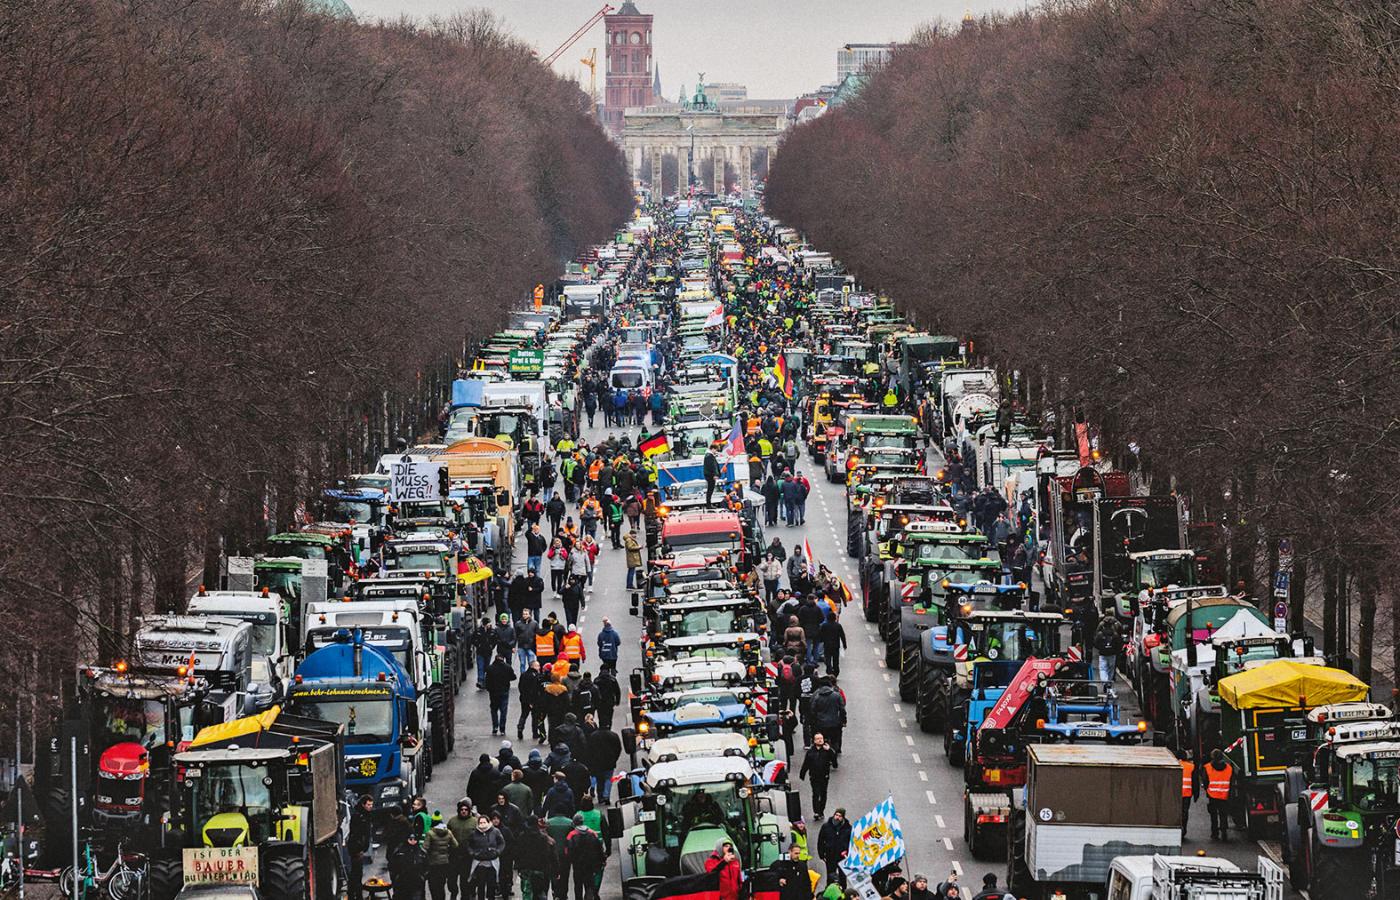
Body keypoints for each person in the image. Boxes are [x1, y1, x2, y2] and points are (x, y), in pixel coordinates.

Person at [563, 814, 606, 900]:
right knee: (589, 884)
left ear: (574, 823)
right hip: (590, 865)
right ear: (582, 821)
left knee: (578, 886)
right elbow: (599, 848)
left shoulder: (571, 834)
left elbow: (567, 851)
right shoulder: (592, 833)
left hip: (577, 865)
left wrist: (570, 861)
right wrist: (602, 860)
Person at [465, 815, 506, 900]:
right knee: (480, 886)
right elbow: (468, 845)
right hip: (479, 864)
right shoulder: (474, 833)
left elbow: (502, 843)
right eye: (480, 823)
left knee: (491, 886)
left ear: (488, 822)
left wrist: (497, 852)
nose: (482, 824)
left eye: (484, 822)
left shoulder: (495, 831)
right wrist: (473, 853)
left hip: (492, 863)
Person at [799, 733, 838, 819]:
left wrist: (830, 750)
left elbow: (834, 761)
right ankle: (816, 812)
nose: (820, 740)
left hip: (824, 776)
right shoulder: (810, 752)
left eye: (821, 738)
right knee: (816, 793)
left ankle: (821, 811)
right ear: (814, 741)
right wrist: (802, 774)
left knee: (823, 794)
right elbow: (806, 763)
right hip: (814, 777)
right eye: (818, 739)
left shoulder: (827, 751)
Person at [515, 818, 555, 900]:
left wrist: (518, 866)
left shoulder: (522, 836)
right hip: (540, 869)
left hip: (525, 868)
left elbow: (518, 853)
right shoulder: (544, 838)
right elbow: (548, 854)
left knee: (527, 892)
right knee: (540, 892)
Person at [586, 723, 623, 804]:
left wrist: (591, 762)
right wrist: (614, 759)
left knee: (600, 780)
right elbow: (618, 748)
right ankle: (606, 796)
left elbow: (589, 750)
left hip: (597, 762)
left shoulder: (593, 736)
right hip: (610, 762)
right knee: (608, 779)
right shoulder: (613, 735)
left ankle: (600, 797)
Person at [426, 817, 460, 900]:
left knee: (434, 885)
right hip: (445, 863)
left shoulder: (430, 833)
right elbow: (455, 845)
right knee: (441, 884)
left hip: (433, 863)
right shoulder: (448, 832)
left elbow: (425, 848)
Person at [347, 795, 374, 900]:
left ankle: (354, 894)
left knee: (357, 872)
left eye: (371, 805)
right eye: (368, 805)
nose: (370, 807)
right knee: (356, 874)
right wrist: (359, 849)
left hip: (359, 848)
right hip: (356, 849)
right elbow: (356, 834)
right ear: (363, 804)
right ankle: (356, 895)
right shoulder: (359, 816)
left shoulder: (365, 815)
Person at [816, 809, 851, 888]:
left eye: (840, 816)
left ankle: (843, 891)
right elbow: (821, 840)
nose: (837, 817)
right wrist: (821, 854)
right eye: (836, 815)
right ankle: (829, 891)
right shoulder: (826, 826)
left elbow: (851, 842)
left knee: (842, 876)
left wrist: (847, 851)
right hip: (830, 855)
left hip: (842, 857)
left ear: (843, 817)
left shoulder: (848, 828)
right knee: (831, 875)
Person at [389, 831, 428, 900]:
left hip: (417, 883)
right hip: (402, 883)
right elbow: (392, 866)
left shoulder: (421, 853)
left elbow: (426, 866)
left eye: (415, 839)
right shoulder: (399, 852)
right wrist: (395, 878)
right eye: (410, 839)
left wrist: (422, 877)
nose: (413, 841)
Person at [1204, 747, 1233, 840]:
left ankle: (1214, 833)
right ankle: (1224, 832)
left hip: (1212, 795)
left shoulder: (1207, 768)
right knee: (1223, 814)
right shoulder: (1229, 768)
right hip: (1224, 794)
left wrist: (1207, 790)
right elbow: (1231, 782)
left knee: (1213, 815)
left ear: (1212, 757)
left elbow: (1205, 782)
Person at [486, 653, 517, 736]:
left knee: (494, 710)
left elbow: (487, 681)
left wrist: (489, 689)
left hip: (493, 692)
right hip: (504, 691)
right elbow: (513, 677)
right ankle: (502, 728)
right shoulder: (507, 667)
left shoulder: (490, 668)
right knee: (503, 710)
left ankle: (495, 727)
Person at [1092, 616, 1124, 684]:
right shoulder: (1115, 632)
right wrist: (1117, 650)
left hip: (1103, 653)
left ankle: (1104, 682)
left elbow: (1095, 642)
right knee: (1111, 669)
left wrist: (1100, 648)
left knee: (1103, 668)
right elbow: (1119, 641)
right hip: (1113, 653)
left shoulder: (1100, 632)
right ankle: (1110, 681)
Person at [819, 613, 846, 677]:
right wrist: (844, 644)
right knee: (835, 660)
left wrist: (821, 641)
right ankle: (836, 671)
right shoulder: (838, 625)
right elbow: (842, 635)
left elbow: (820, 634)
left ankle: (829, 668)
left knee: (827, 658)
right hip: (836, 645)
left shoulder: (824, 625)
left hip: (827, 645)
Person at [1179, 749, 1195, 839]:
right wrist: (1196, 794)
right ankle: (1184, 829)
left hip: (1176, 793)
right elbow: (1194, 782)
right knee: (1185, 812)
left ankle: (1178, 828)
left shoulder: (1175, 765)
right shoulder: (1191, 766)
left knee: (1177, 812)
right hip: (1187, 793)